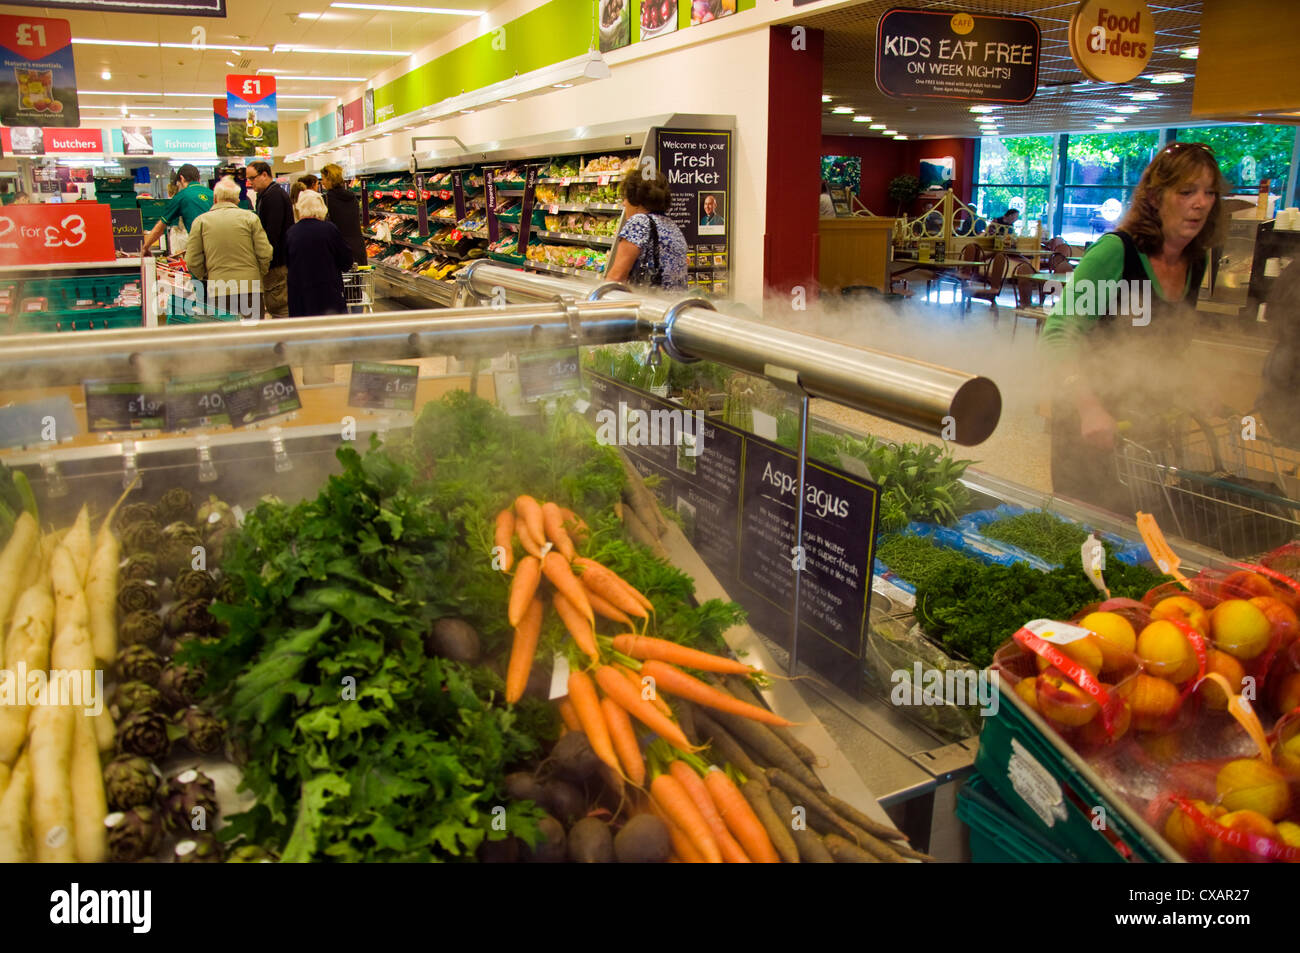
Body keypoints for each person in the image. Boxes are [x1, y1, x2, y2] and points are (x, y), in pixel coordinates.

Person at [1041, 141, 1227, 512]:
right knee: (1089, 540)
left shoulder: (1196, 262)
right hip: (1088, 426)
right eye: (1187, 191)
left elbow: (1169, 346)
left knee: (1143, 531)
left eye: (1209, 193)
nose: (1200, 203)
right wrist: (1089, 407)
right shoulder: (1117, 253)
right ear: (1156, 198)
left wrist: (1196, 390)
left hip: (1146, 429)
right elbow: (1059, 334)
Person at [184, 176, 273, 321]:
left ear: (215, 199)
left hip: (219, 288)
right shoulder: (251, 219)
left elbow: (192, 259)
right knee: (254, 337)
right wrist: (258, 273)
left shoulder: (201, 222)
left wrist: (206, 276)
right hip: (251, 287)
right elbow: (266, 253)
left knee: (226, 338)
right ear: (237, 199)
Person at [606, 171, 687, 292]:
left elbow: (616, 277)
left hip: (648, 303)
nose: (624, 203)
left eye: (626, 197)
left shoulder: (639, 222)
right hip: (672, 304)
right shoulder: (671, 225)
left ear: (637, 201)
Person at [286, 190, 354, 317]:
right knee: (331, 331)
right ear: (322, 208)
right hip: (327, 294)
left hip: (300, 296)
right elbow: (346, 261)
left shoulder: (291, 232)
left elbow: (288, 262)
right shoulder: (329, 229)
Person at [246, 161, 292, 318]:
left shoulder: (274, 197)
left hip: (277, 265)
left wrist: (263, 260)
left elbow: (271, 234)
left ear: (264, 175)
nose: (250, 183)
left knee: (280, 308)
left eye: (252, 178)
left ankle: (285, 341)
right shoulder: (266, 195)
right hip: (274, 263)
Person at [143, 164, 213, 252]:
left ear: (182, 178)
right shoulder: (213, 194)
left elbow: (160, 227)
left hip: (200, 247)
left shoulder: (181, 196)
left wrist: (145, 247)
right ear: (198, 179)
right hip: (218, 246)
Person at [321, 164, 366, 266]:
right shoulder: (352, 197)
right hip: (357, 247)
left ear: (329, 179)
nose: (322, 182)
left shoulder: (326, 199)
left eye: (323, 179)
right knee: (357, 280)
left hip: (338, 248)